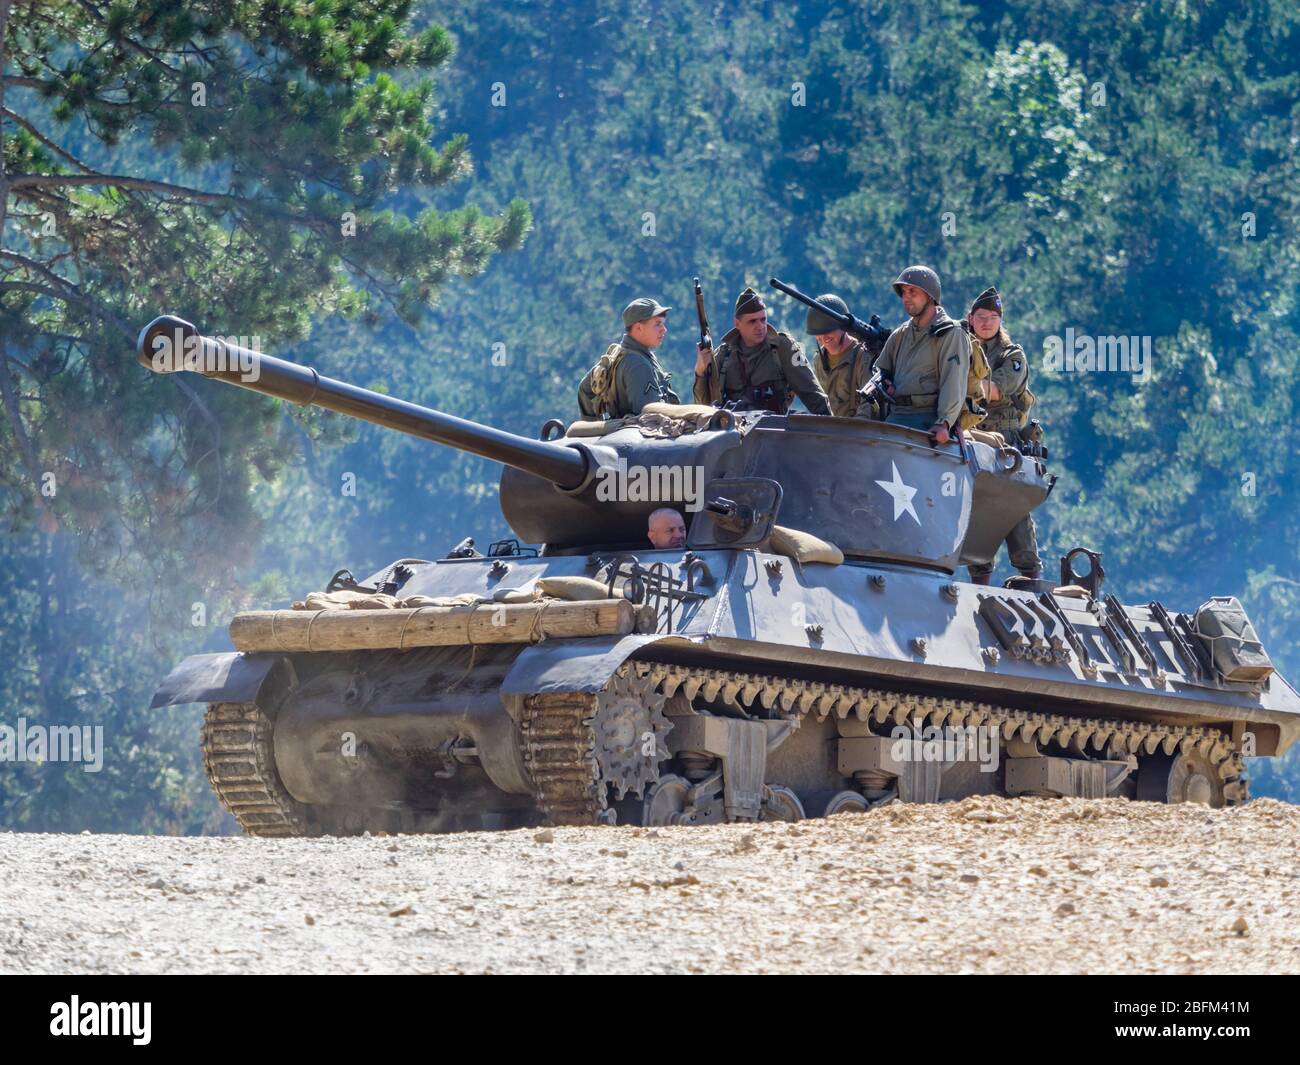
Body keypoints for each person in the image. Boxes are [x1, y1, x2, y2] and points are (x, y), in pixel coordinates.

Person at [963, 286, 1042, 584]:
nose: (987, 323)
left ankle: (1031, 582)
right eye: (981, 316)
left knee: (1014, 516)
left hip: (1004, 445)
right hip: (970, 440)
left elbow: (994, 391)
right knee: (974, 516)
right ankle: (979, 584)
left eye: (993, 317)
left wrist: (956, 382)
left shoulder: (1012, 355)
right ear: (970, 319)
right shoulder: (958, 347)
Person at [867, 265, 969, 444]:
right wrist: (884, 383)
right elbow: (880, 370)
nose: (906, 297)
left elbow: (953, 381)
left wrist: (944, 422)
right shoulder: (900, 334)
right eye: (904, 292)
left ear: (930, 296)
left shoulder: (951, 333)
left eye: (912, 292)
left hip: (928, 422)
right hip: (895, 417)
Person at [693, 287, 831, 414]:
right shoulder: (724, 355)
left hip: (773, 431)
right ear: (737, 324)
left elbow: (813, 394)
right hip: (734, 433)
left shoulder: (782, 347)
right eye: (752, 321)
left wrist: (833, 430)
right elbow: (704, 407)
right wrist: (700, 372)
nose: (760, 326)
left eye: (763, 319)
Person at [577, 298, 683, 418]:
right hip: (640, 435)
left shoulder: (619, 354)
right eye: (657, 324)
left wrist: (595, 428)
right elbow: (652, 417)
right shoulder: (637, 363)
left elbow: (585, 389)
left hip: (623, 434)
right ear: (638, 328)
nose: (664, 329)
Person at [806, 294, 878, 417]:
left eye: (827, 330)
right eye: (818, 333)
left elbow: (869, 405)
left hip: (856, 431)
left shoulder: (863, 357)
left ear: (843, 327)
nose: (823, 338)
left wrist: (852, 431)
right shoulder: (819, 360)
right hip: (828, 431)